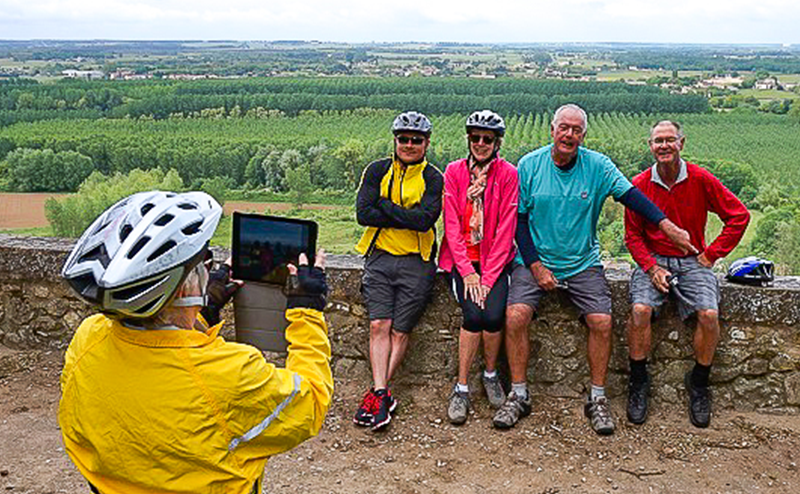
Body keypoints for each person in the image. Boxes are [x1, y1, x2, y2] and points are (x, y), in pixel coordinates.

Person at [59, 190, 332, 494]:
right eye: (204, 262)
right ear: (182, 288)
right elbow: (311, 401)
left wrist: (203, 311)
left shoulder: (88, 339)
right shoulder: (230, 373)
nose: (209, 269)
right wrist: (307, 310)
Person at [493, 104, 696, 435]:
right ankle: (518, 394)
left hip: (582, 261)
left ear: (583, 135)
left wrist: (667, 226)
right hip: (535, 258)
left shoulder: (598, 166)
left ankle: (597, 397)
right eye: (564, 128)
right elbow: (519, 220)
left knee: (602, 321)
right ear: (552, 130)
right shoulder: (530, 165)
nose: (569, 135)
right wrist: (535, 265)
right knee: (515, 316)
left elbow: (632, 197)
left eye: (576, 130)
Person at [624, 120, 750, 428]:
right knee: (640, 310)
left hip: (692, 258)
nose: (664, 146)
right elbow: (633, 236)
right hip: (653, 258)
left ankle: (699, 383)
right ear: (650, 147)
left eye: (670, 139)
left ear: (682, 143)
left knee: (708, 314)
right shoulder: (640, 184)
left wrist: (711, 254)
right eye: (658, 141)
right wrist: (651, 267)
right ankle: (638, 382)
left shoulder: (700, 179)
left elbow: (739, 215)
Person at [353, 111, 443, 430]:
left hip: (417, 261)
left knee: (400, 331)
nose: (408, 145)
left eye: (416, 140)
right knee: (379, 324)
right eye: (403, 139)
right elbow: (363, 214)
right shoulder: (377, 170)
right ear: (395, 140)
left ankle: (377, 394)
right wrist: (406, 215)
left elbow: (425, 221)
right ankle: (381, 394)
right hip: (380, 257)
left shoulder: (433, 177)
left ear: (426, 143)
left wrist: (385, 206)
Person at [438, 110, 518, 424]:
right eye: (476, 138)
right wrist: (469, 273)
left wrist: (488, 278)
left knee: (494, 315)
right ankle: (461, 388)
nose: (481, 143)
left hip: (494, 261)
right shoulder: (454, 172)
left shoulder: (508, 174)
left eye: (488, 139)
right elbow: (451, 225)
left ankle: (490, 374)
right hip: (462, 260)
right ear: (468, 140)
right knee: (473, 315)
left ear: (497, 143)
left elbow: (507, 228)